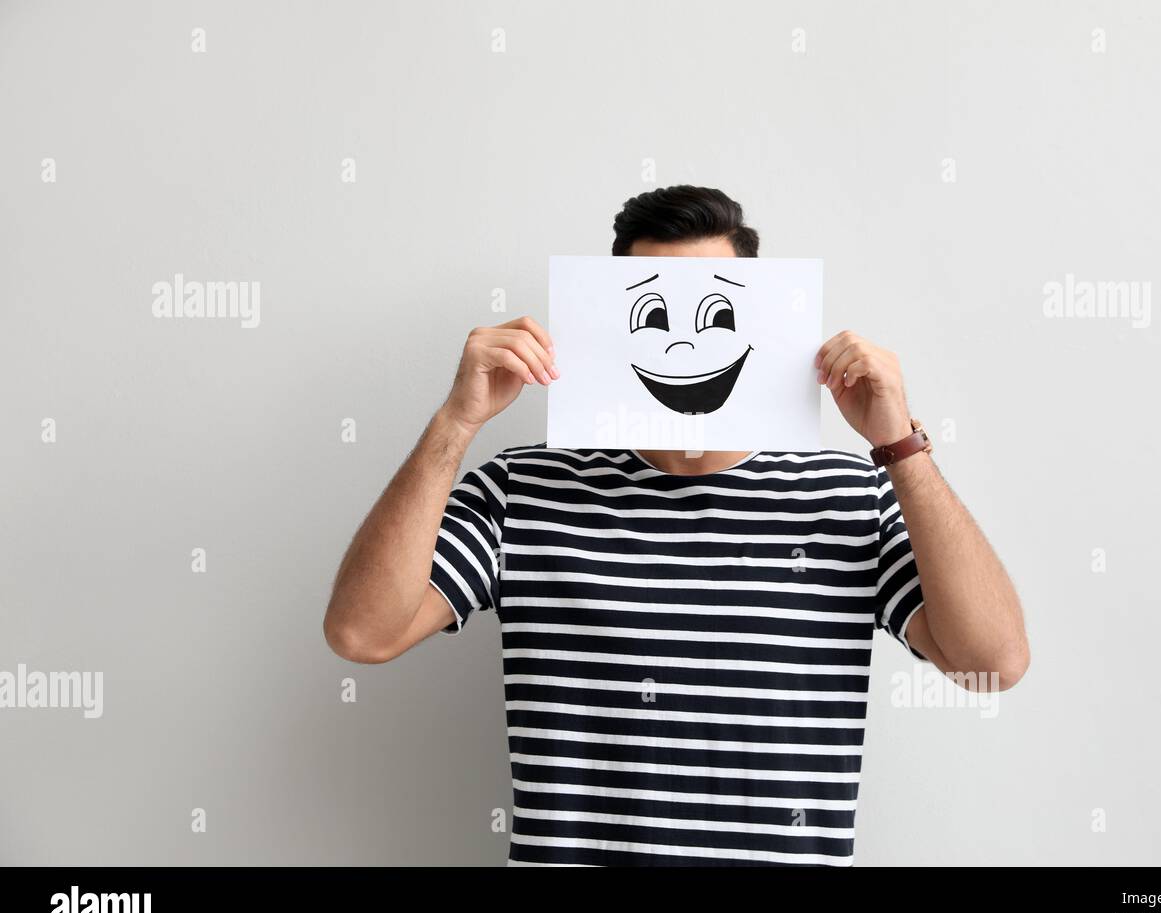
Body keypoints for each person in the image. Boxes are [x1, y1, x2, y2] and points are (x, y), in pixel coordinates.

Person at [324, 185, 1029, 866]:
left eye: (716, 312)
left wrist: (900, 445)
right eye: (657, 312)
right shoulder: (523, 487)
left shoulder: (852, 494)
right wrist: (457, 422)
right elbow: (364, 632)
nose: (686, 345)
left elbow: (994, 663)